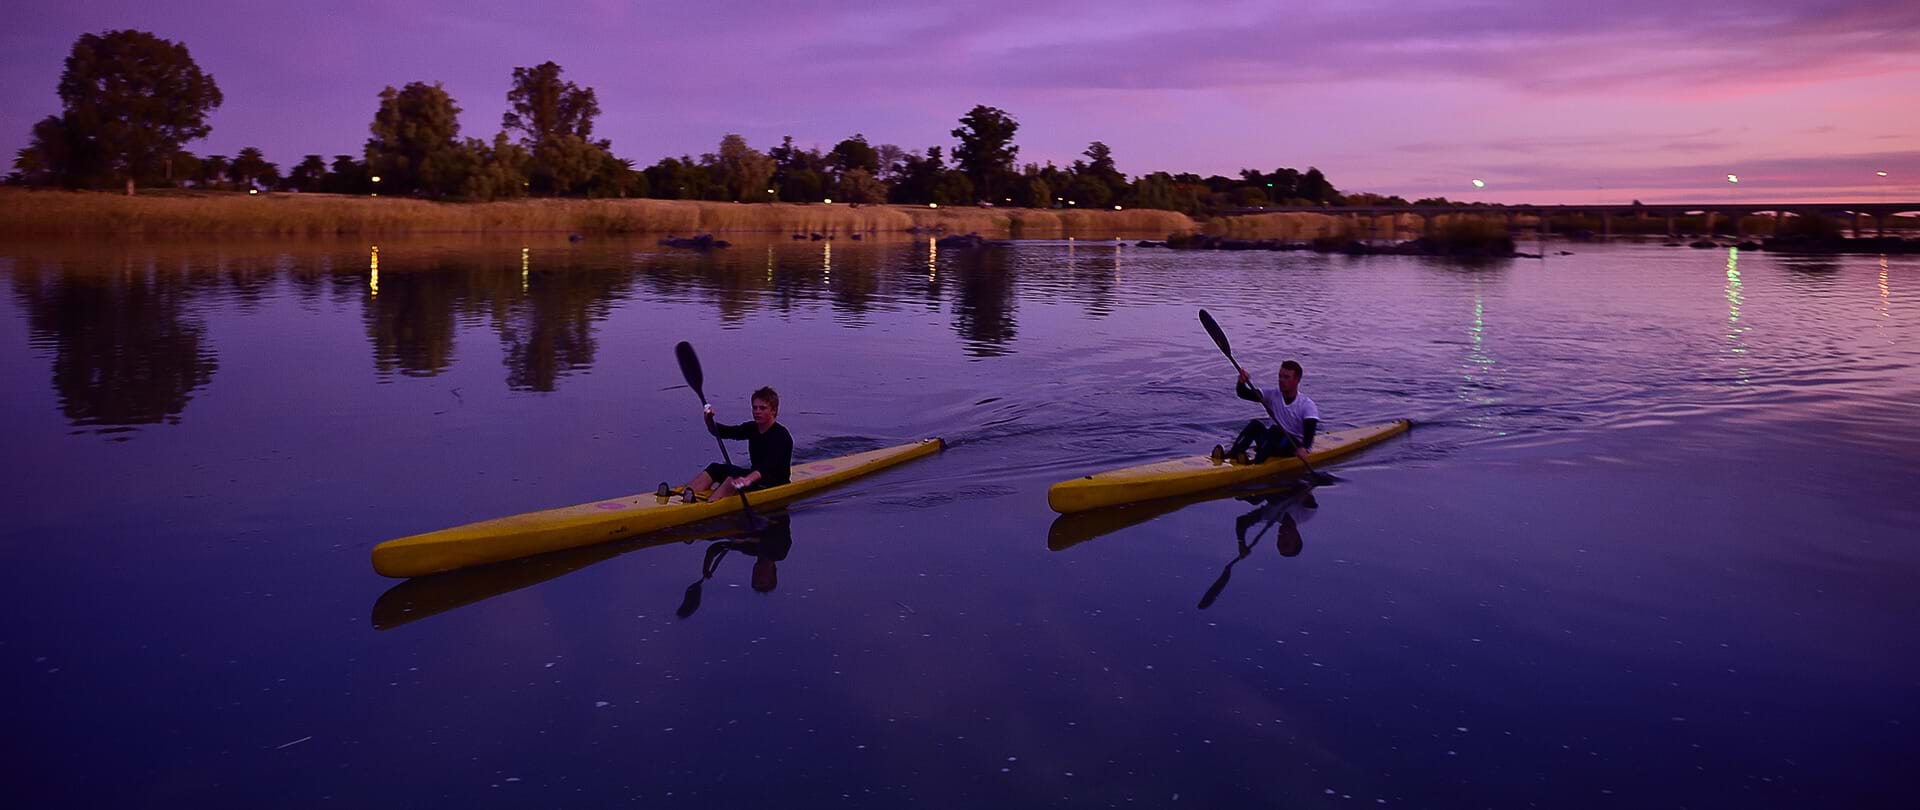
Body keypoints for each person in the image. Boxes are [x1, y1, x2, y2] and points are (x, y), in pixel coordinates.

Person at [667, 386, 793, 504]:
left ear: (774, 410)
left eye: (762, 408)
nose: (757, 412)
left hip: (775, 483)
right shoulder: (752, 428)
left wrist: (747, 480)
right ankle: (681, 498)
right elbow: (725, 432)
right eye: (754, 408)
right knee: (715, 468)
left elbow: (768, 467)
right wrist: (709, 421)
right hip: (755, 476)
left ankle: (711, 505)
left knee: (734, 477)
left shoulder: (782, 436)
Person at [1214, 360, 1319, 465]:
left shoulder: (1307, 405)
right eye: (1280, 376)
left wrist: (1304, 448)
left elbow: (1310, 432)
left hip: (1292, 447)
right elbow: (1244, 394)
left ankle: (1255, 463)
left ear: (1297, 380)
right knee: (1255, 425)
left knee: (1275, 431)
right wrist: (1241, 382)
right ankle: (1232, 455)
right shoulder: (1272, 394)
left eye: (1286, 377)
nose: (1281, 380)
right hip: (1271, 442)